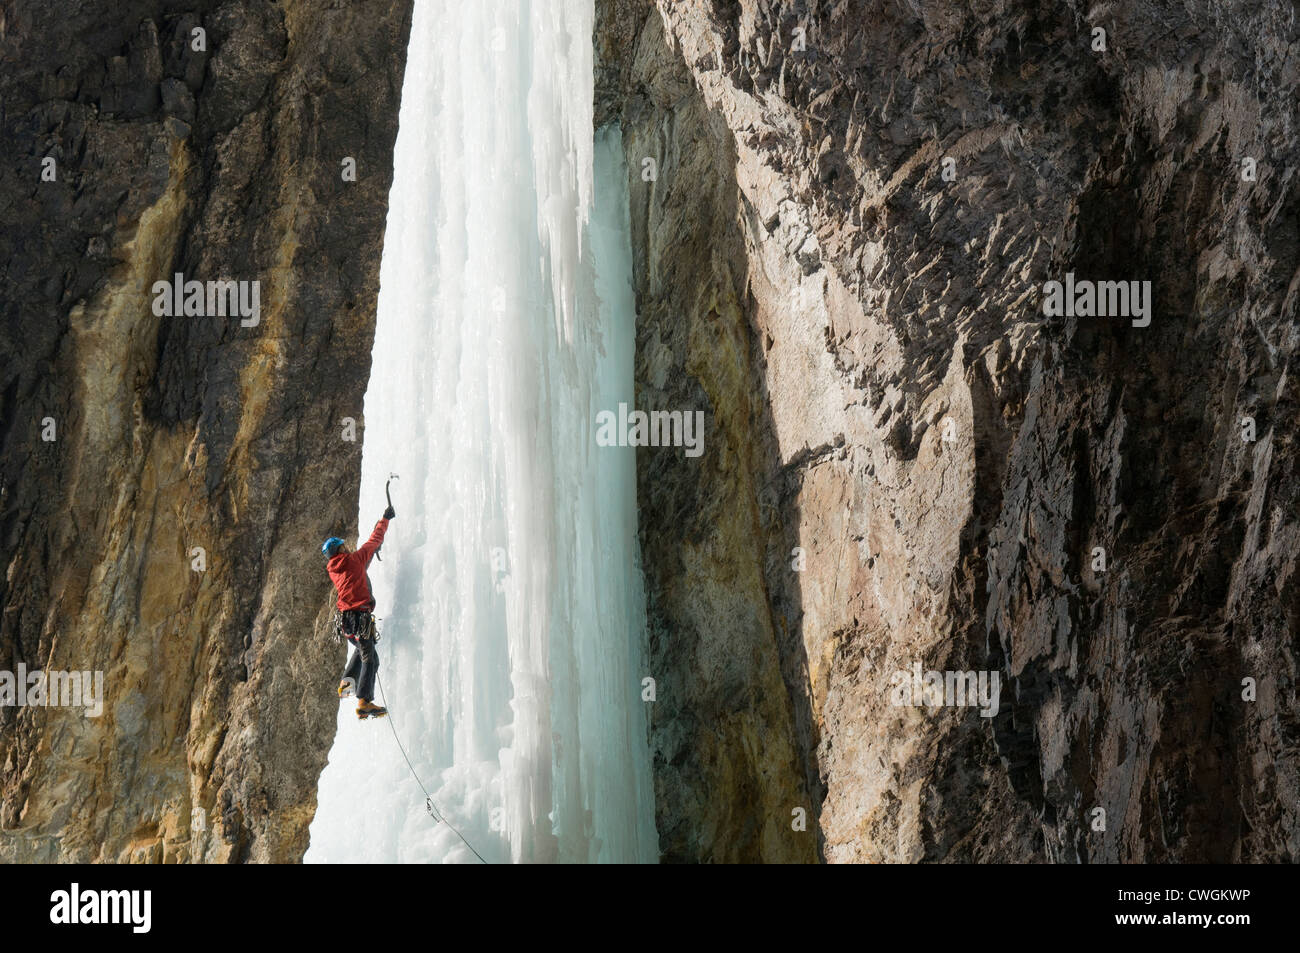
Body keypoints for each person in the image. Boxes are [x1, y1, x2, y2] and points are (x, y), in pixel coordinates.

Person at [322, 504, 395, 719]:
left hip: (345, 622)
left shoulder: (335, 570)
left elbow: (357, 574)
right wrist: (385, 519)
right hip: (358, 617)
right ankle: (364, 701)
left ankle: (347, 682)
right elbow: (374, 541)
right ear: (341, 549)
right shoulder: (354, 560)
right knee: (369, 657)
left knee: (366, 652)